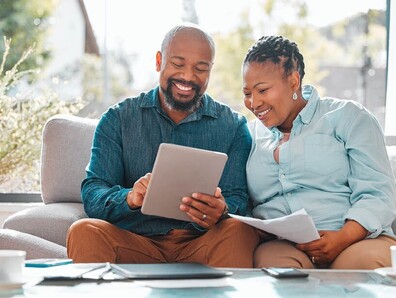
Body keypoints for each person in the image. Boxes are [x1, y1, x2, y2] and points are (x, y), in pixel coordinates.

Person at [66, 24, 260, 267]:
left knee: (239, 230)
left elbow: (239, 198)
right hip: (134, 241)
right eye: (178, 64)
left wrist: (222, 209)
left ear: (210, 71)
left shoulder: (233, 126)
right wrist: (129, 198)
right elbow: (94, 192)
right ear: (159, 61)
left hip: (201, 243)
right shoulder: (118, 119)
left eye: (200, 69)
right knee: (84, 231)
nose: (188, 77)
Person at [242, 35, 396, 269]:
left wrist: (343, 238)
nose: (254, 103)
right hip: (285, 245)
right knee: (278, 275)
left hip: (358, 240)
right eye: (247, 94)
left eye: (262, 90)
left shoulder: (348, 117)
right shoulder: (249, 135)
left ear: (294, 81)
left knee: (354, 270)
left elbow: (378, 192)